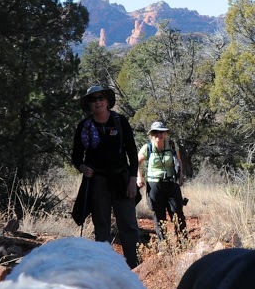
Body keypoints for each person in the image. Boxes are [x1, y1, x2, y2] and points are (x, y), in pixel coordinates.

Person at [70, 85, 141, 267]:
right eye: (93, 100)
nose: (98, 102)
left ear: (108, 101)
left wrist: (133, 180)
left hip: (121, 180)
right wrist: (83, 167)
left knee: (128, 224)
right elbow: (76, 156)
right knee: (101, 225)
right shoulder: (84, 126)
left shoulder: (120, 121)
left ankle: (134, 266)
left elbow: (132, 152)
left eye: (101, 98)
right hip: (97, 182)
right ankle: (105, 268)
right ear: (89, 105)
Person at [138, 119, 188, 243]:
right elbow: (136, 163)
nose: (158, 135)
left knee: (177, 212)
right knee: (159, 214)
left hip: (171, 183)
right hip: (154, 185)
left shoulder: (171, 145)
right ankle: (163, 243)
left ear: (165, 133)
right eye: (155, 132)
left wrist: (181, 175)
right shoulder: (147, 148)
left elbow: (179, 161)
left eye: (161, 132)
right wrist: (139, 177)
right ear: (151, 134)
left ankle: (183, 241)